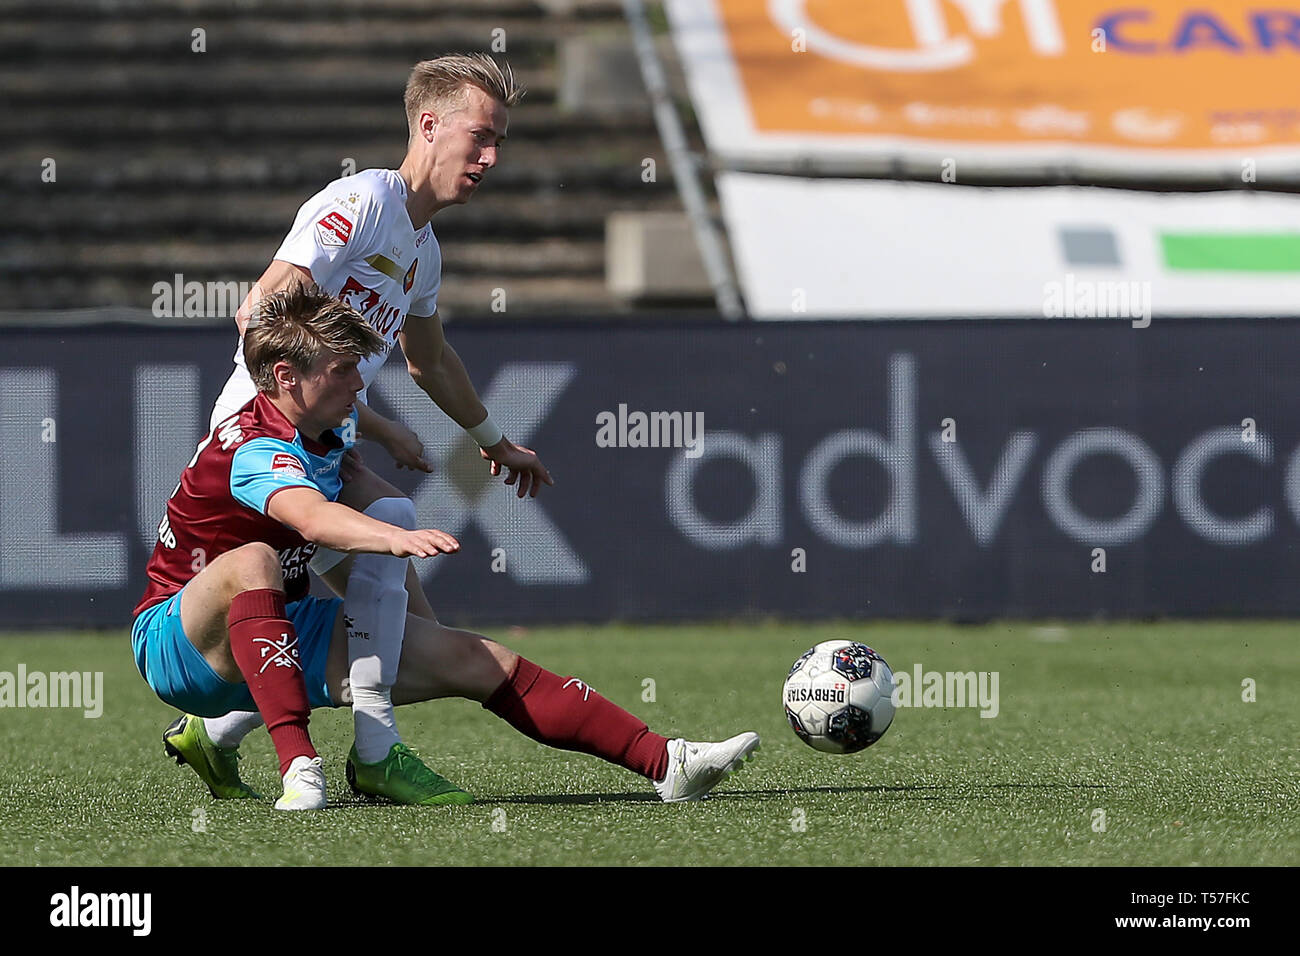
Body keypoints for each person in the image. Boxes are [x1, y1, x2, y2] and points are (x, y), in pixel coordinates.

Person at [154, 285, 761, 809]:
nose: (356, 380)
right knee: (253, 561)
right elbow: (311, 519)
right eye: (340, 370)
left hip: (275, 630)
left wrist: (387, 435)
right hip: (180, 643)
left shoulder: (324, 416)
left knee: (479, 660)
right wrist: (395, 537)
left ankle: (666, 763)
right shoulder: (255, 449)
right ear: (285, 377)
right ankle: (299, 767)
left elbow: (344, 451)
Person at [192, 54, 553, 781]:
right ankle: (369, 758)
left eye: (499, 144)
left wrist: (489, 440)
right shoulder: (361, 203)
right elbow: (259, 310)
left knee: (401, 628)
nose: (489, 157)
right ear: (428, 125)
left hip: (323, 451)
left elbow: (430, 361)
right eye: (479, 137)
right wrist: (303, 430)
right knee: (405, 627)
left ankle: (220, 729)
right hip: (264, 446)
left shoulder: (422, 250)